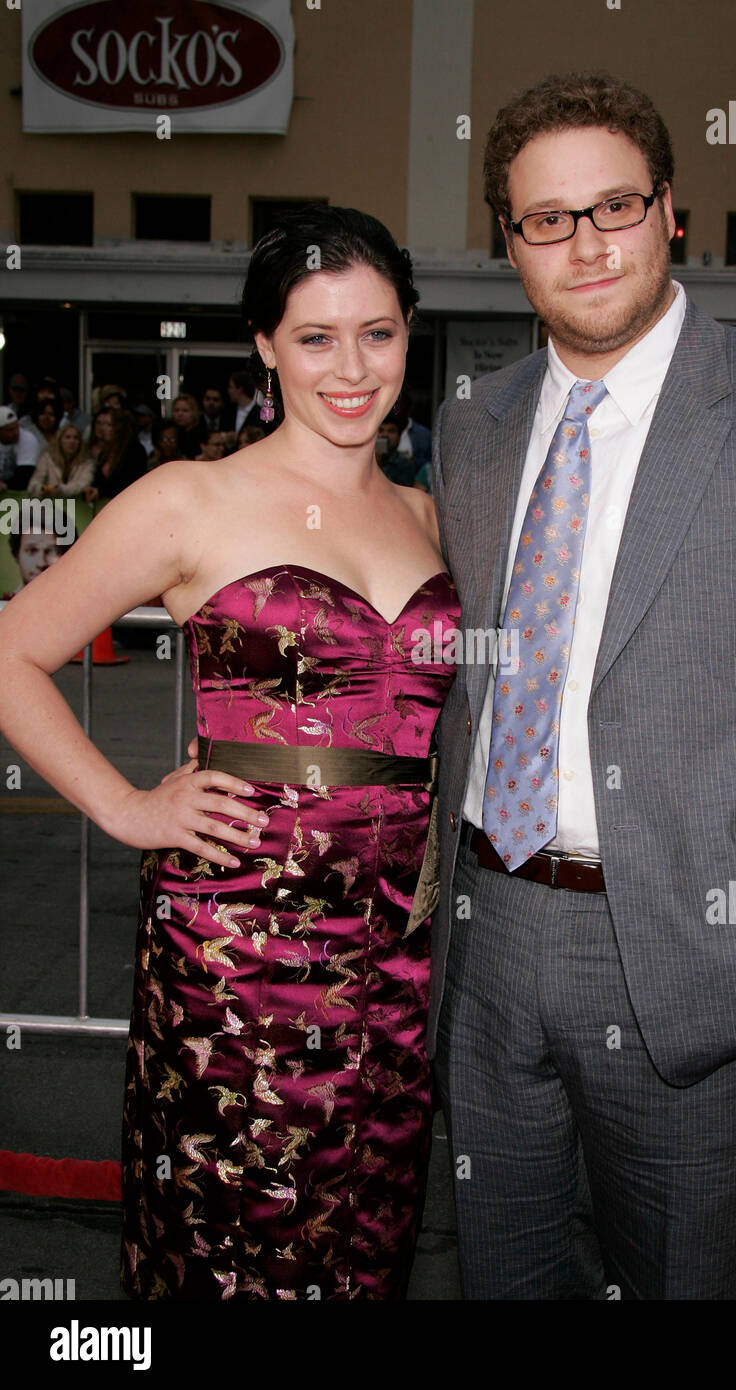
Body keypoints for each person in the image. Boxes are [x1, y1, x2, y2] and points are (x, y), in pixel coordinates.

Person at [428, 71, 736, 1301]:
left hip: (693, 959)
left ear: (669, 213)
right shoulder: (473, 422)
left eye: (614, 206)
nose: (585, 244)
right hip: (488, 941)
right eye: (547, 218)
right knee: (504, 1275)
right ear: (509, 242)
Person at [0, 203, 457, 1301]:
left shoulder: (430, 513)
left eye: (378, 332)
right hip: (238, 949)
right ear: (263, 343)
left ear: (408, 336)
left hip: (396, 953)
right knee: (232, 1230)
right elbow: (13, 651)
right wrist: (123, 806)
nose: (352, 368)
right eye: (314, 336)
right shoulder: (189, 498)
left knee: (361, 1236)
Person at [85, 408, 147, 500]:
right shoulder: (105, 453)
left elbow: (130, 483)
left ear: (119, 427)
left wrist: (101, 492)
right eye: (102, 424)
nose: (103, 429)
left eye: (109, 425)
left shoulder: (135, 450)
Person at [27, 422, 95, 498]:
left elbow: (83, 485)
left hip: (75, 505)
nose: (72, 441)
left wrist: (61, 490)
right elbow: (33, 484)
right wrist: (43, 490)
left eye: (76, 438)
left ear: (80, 443)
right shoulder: (47, 458)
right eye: (67, 437)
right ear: (60, 440)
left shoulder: (87, 462)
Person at [0, 406, 41, 489]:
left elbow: (24, 477)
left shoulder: (28, 438)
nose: (16, 432)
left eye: (16, 427)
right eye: (9, 430)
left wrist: (5, 486)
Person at [170, 394, 208, 459]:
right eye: (176, 410)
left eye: (185, 410)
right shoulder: (171, 433)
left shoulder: (202, 434)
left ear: (194, 413)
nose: (180, 414)